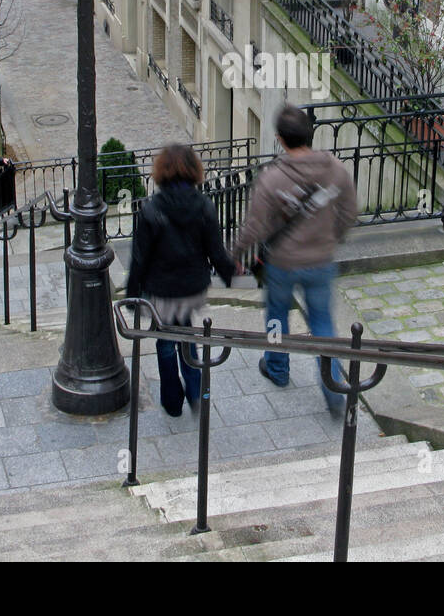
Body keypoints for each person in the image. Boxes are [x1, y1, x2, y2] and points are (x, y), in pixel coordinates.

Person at [230, 105, 357, 412]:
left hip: (282, 264)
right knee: (323, 322)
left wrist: (232, 254)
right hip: (321, 261)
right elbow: (350, 212)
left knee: (276, 316)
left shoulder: (272, 178)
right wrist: (333, 237)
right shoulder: (335, 169)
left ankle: (277, 368)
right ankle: (333, 390)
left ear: (279, 139)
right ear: (309, 135)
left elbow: (254, 228)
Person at [125, 144, 235, 417]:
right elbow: (216, 251)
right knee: (186, 333)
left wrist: (132, 293)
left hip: (161, 290)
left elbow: (140, 257)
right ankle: (196, 392)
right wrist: (232, 276)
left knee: (165, 342)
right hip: (191, 288)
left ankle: (172, 401)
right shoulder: (204, 206)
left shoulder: (151, 210)